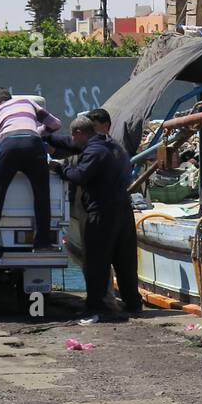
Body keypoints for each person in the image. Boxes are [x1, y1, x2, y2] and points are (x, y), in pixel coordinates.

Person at [50, 116, 127, 325]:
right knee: (98, 261)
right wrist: (48, 137)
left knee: (95, 262)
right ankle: (100, 304)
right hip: (112, 210)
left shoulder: (94, 152)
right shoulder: (102, 145)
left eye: (74, 136)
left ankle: (96, 308)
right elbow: (68, 143)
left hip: (99, 213)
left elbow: (80, 176)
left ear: (79, 134)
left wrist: (59, 169)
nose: (73, 141)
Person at [0, 87, 61, 257]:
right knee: (42, 195)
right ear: (10, 96)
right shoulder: (26, 102)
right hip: (34, 146)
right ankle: (42, 244)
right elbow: (55, 124)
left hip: (10, 147)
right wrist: (35, 132)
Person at [84, 108, 142, 314]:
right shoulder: (117, 148)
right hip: (123, 207)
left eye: (93, 127)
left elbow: (81, 174)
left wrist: (63, 170)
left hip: (103, 209)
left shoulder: (98, 149)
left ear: (105, 126)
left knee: (98, 259)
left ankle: (97, 304)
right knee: (125, 259)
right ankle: (133, 302)